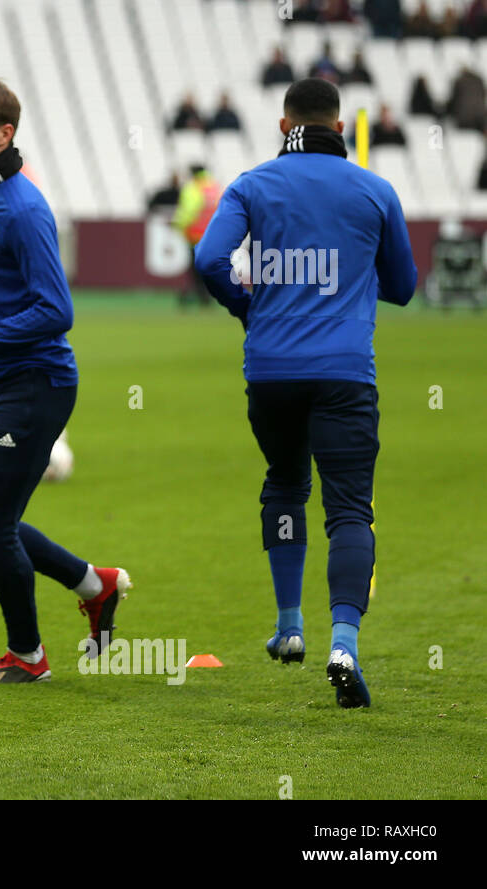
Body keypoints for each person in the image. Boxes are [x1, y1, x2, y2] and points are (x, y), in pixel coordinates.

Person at [194, 78, 417, 709]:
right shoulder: (375, 190)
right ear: (340, 128)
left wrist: (249, 308)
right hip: (346, 372)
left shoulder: (251, 184)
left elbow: (210, 258)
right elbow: (402, 286)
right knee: (349, 510)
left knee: (286, 482)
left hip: (270, 371)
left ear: (284, 121)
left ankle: (289, 627)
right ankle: (342, 643)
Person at [0, 78, 131, 684]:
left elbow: (56, 312)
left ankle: (28, 657)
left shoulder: (23, 207)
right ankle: (97, 585)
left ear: (5, 133)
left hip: (36, 384)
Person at [172, 163, 221, 305]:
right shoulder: (214, 187)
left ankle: (198, 295)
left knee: (195, 268)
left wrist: (178, 224)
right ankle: (207, 294)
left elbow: (189, 211)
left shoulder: (193, 188)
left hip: (195, 234)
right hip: (212, 234)